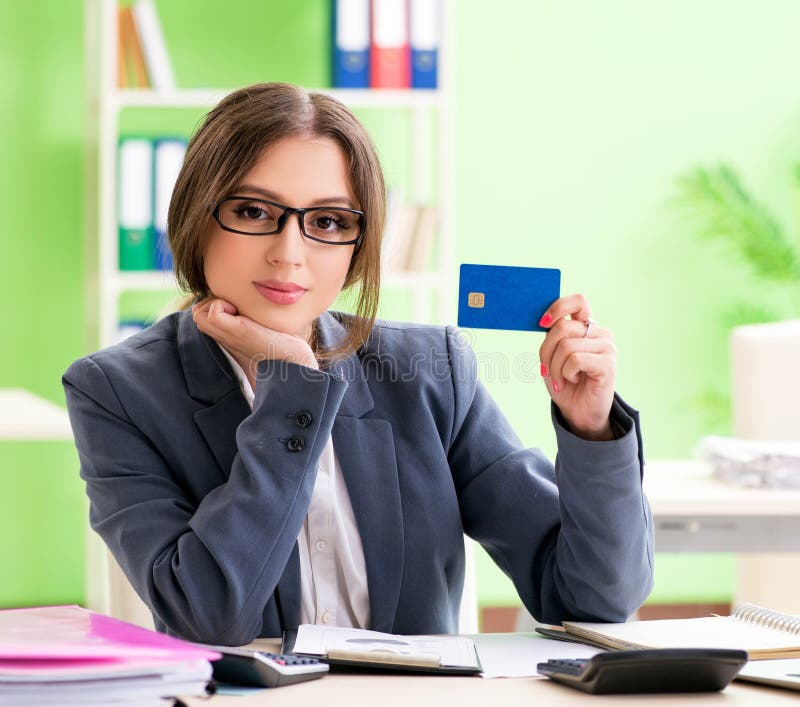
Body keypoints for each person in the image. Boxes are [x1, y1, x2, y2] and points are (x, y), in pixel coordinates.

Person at [63, 82, 653, 646]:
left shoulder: (430, 371)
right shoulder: (115, 391)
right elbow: (209, 615)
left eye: (327, 222)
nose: (288, 254)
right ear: (195, 215)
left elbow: (591, 604)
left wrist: (591, 428)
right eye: (251, 211)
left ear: (357, 244)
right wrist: (292, 390)